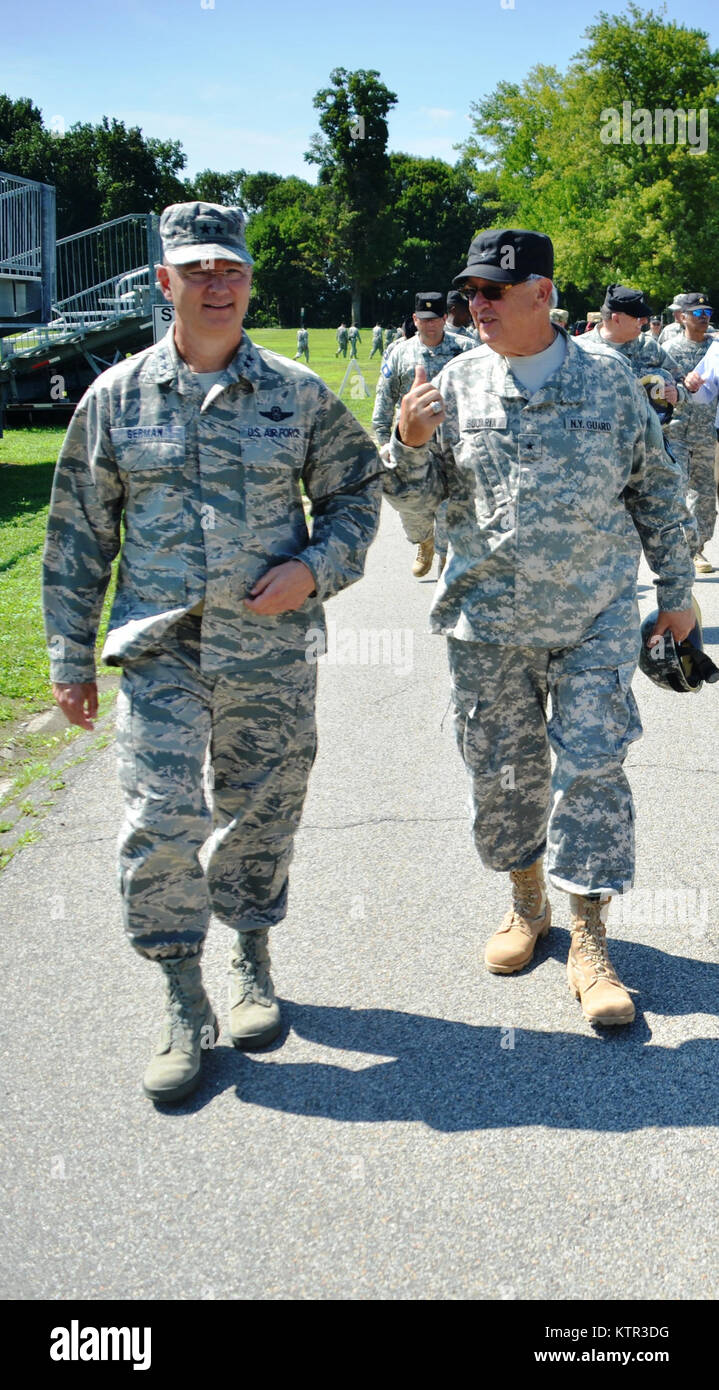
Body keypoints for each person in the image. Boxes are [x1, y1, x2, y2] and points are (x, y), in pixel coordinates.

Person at [42, 202, 382, 1104]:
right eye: (196, 271)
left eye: (229, 270)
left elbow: (355, 494)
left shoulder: (296, 392)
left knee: (262, 810)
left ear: (248, 280)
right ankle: (180, 994)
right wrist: (68, 656)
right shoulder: (114, 397)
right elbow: (78, 535)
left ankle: (250, 953)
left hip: (270, 650)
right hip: (160, 651)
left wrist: (314, 568)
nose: (216, 285)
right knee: (159, 819)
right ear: (165, 282)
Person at [381, 228, 694, 1027]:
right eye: (467, 295)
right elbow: (418, 516)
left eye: (491, 292)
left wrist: (676, 592)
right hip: (487, 627)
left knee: (592, 768)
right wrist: (409, 447)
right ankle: (527, 905)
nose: (473, 306)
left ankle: (589, 937)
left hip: (592, 618)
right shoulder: (452, 384)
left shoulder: (611, 381)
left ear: (541, 295)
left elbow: (654, 489)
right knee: (501, 776)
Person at [373, 291, 473, 579]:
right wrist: (382, 439)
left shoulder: (465, 350)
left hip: (453, 443)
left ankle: (445, 556)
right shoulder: (399, 352)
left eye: (436, 319)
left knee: (449, 506)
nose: (430, 326)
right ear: (415, 320)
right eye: (424, 319)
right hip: (413, 446)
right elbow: (385, 397)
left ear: (445, 318)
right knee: (412, 507)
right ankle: (425, 543)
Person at [663, 294, 717, 573]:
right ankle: (679, 551)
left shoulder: (716, 347)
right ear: (682, 317)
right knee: (677, 492)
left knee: (706, 498)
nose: (704, 316)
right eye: (696, 313)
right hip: (677, 433)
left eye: (707, 311)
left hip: (707, 434)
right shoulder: (669, 348)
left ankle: (695, 548)